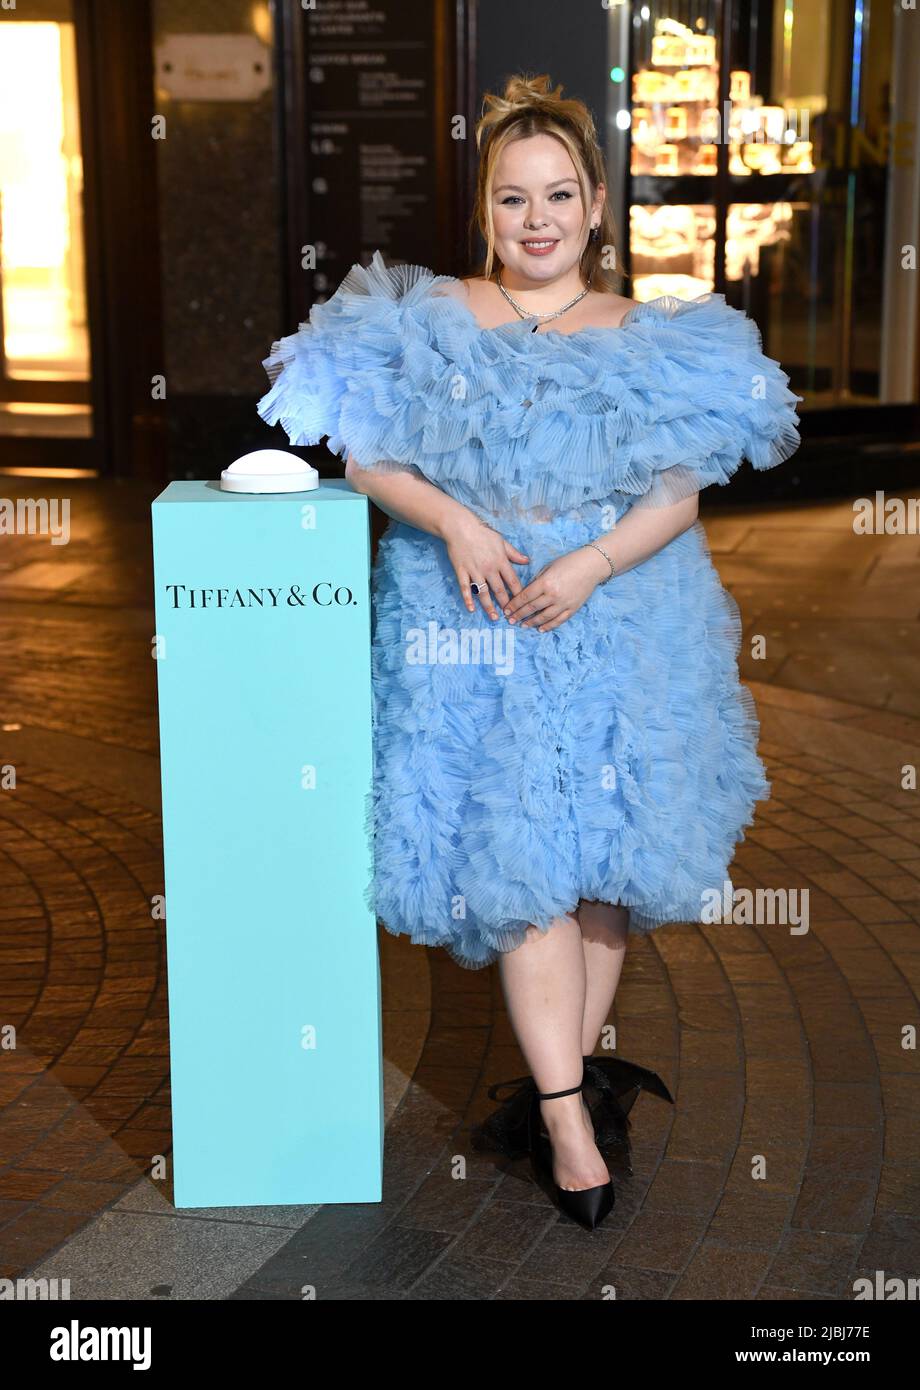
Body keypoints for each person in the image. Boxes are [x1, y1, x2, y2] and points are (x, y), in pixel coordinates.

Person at [257, 73, 802, 1230]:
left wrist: (593, 563)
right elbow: (361, 453)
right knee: (520, 865)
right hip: (477, 617)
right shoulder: (430, 317)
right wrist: (454, 518)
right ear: (486, 211)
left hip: (618, 617)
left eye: (559, 195)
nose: (537, 219)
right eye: (513, 199)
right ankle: (563, 1116)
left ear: (597, 204)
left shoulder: (655, 337)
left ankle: (570, 1083)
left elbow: (675, 496)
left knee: (605, 879)